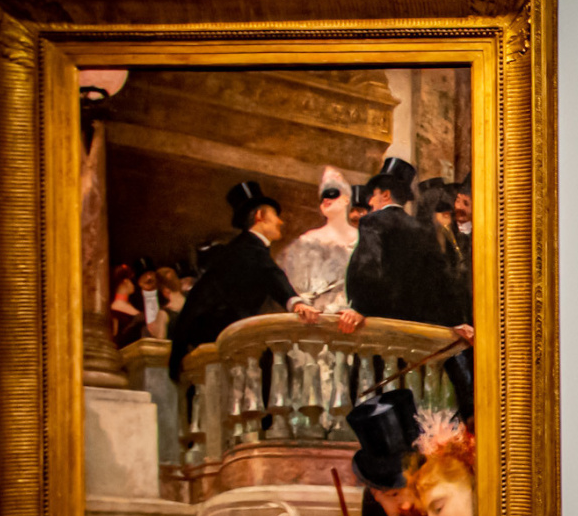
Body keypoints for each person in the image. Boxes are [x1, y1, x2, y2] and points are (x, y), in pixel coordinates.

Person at [346, 158, 475, 422]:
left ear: (384, 194)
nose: (369, 203)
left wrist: (358, 307)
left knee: (371, 398)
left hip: (379, 329)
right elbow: (441, 279)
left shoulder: (373, 222)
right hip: (413, 333)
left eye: (372, 196)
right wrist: (456, 320)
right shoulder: (423, 230)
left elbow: (368, 267)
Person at [167, 182, 321, 380]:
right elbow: (273, 275)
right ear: (260, 217)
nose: (280, 222)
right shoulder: (249, 249)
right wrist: (297, 304)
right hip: (218, 332)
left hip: (211, 331)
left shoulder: (242, 248)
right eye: (275, 216)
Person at [276, 167, 360, 320]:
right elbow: (297, 288)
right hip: (315, 319)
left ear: (346, 198)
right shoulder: (307, 241)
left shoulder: (362, 240)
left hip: (348, 318)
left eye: (332, 194)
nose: (326, 199)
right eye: (322, 197)